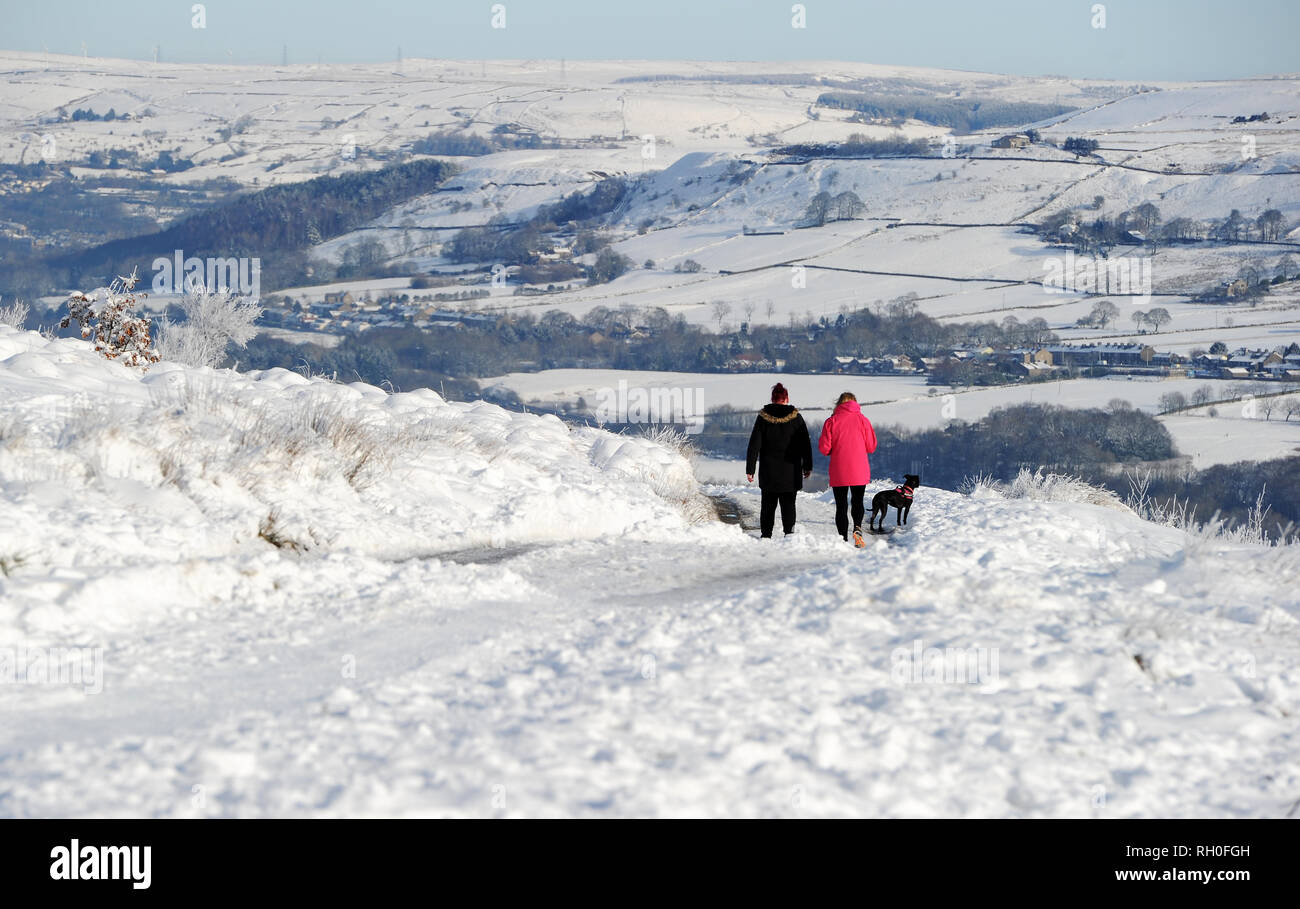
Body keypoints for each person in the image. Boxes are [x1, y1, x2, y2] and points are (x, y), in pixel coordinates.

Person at [745, 383, 813, 538]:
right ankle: (789, 534)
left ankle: (766, 535)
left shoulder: (763, 418)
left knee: (767, 505)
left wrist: (750, 469)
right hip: (791, 470)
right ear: (786, 398)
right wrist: (807, 466)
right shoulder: (796, 418)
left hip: (769, 471)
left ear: (772, 398)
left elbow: (754, 444)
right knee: (789, 505)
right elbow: (805, 444)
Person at [817, 391, 878, 547]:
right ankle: (857, 528)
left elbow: (824, 448)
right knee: (858, 501)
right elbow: (871, 447)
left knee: (841, 505)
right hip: (859, 468)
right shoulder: (863, 420)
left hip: (839, 468)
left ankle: (842, 539)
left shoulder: (831, 421)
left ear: (839, 403)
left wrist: (834, 449)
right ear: (855, 403)